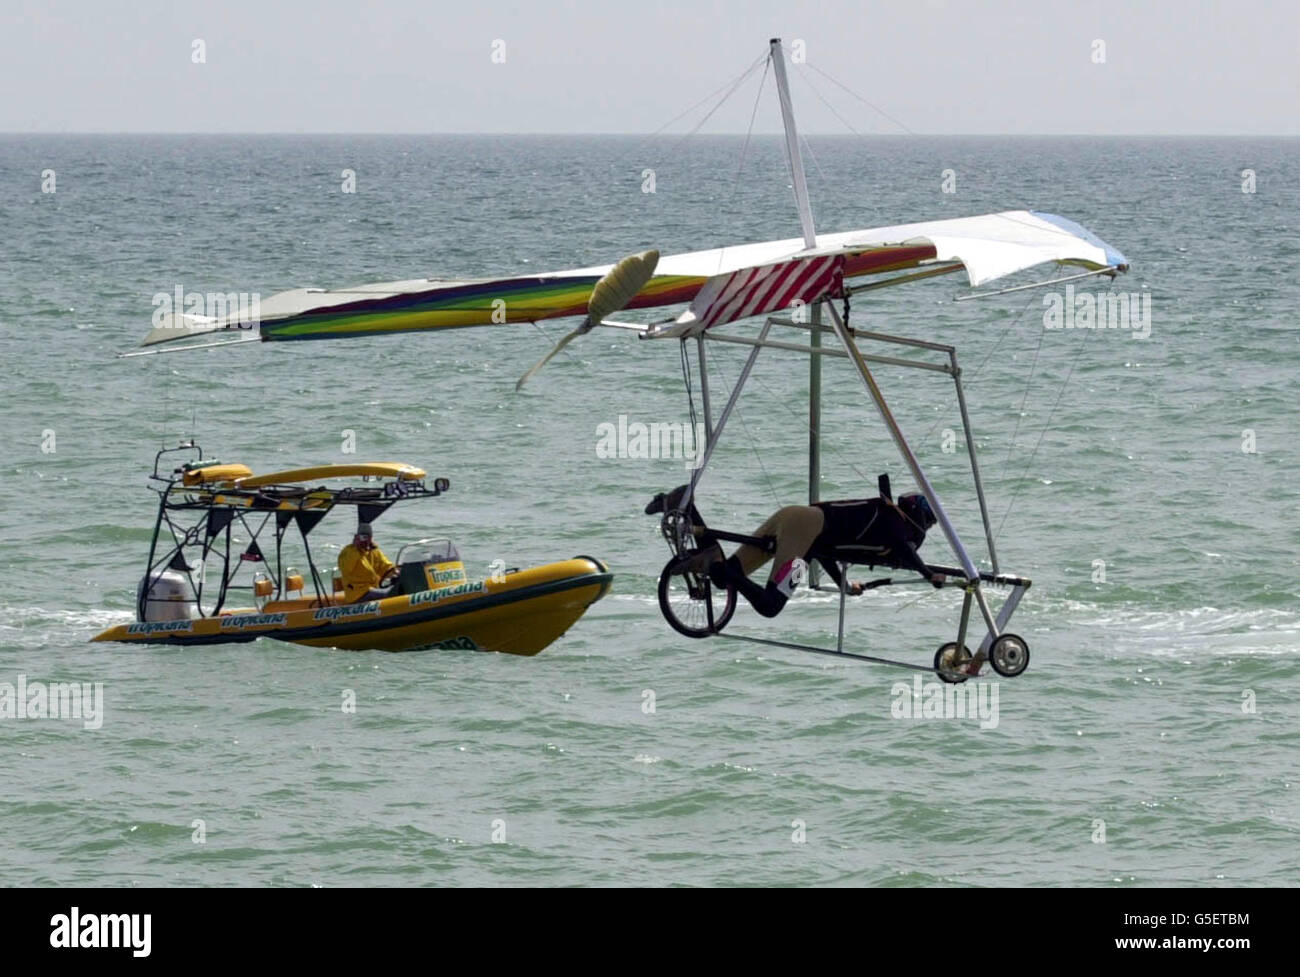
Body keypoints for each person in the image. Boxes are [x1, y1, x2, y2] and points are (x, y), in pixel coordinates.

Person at [705, 490, 946, 619]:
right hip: (804, 530)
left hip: (803, 535)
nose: (927, 530)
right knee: (770, 605)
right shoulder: (895, 522)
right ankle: (722, 568)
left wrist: (845, 586)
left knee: (724, 578)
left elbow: (827, 554)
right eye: (930, 525)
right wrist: (929, 574)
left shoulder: (887, 518)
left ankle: (707, 551)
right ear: (919, 516)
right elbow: (904, 548)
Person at [338, 522, 397, 602]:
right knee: (389, 594)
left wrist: (396, 573)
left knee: (397, 589)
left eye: (367, 537)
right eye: (363, 537)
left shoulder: (374, 551)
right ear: (357, 536)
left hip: (372, 589)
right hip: (357, 593)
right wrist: (356, 548)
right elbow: (346, 567)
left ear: (371, 537)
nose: (365, 540)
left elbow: (385, 566)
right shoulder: (348, 552)